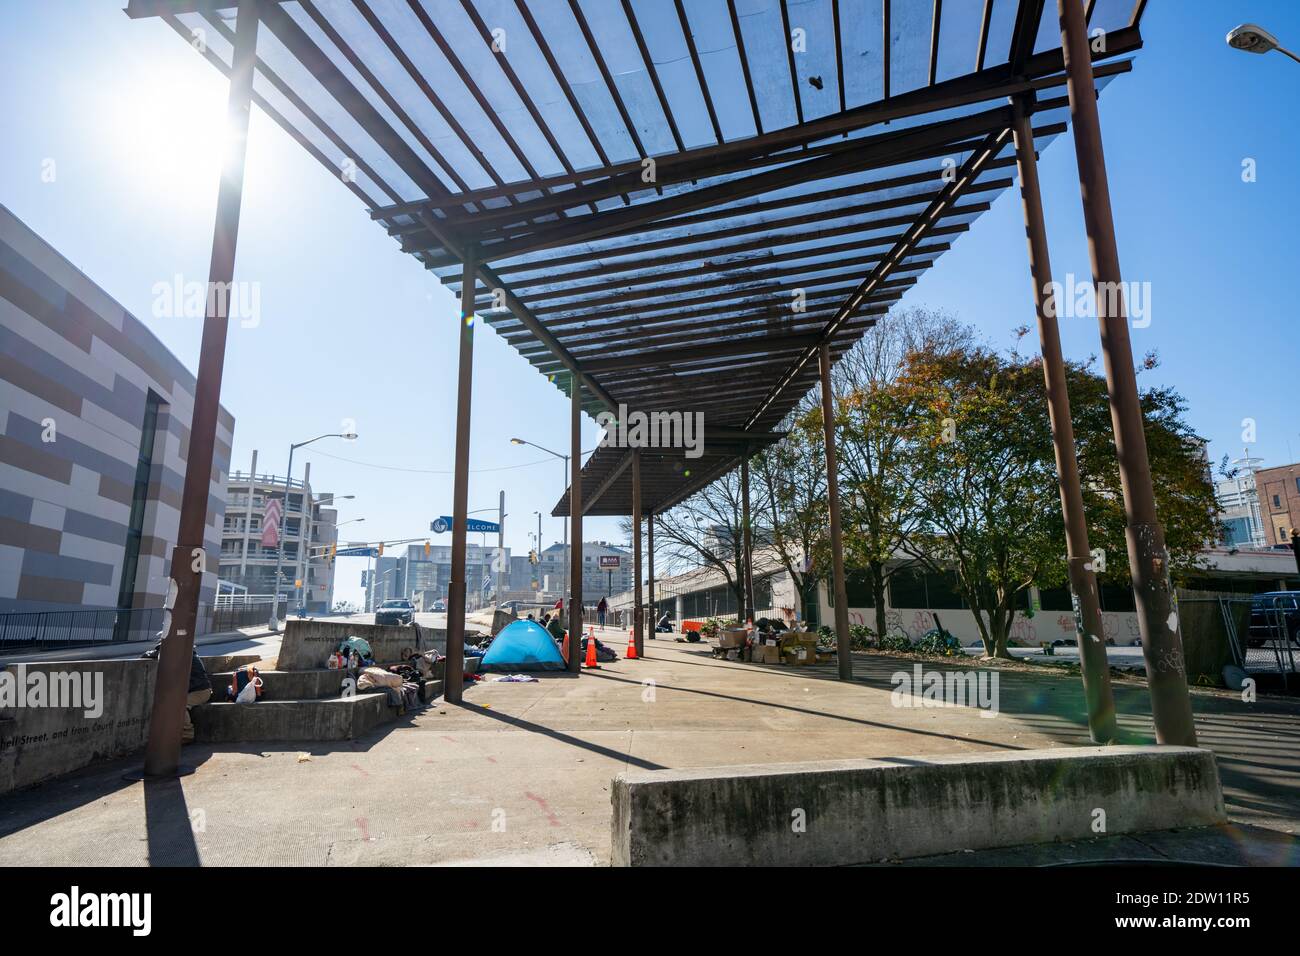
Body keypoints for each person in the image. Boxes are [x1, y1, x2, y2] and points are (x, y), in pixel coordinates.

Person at [142, 633, 211, 744]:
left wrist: (159, 649)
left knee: (180, 704)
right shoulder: (187, 652)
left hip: (200, 692)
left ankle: (187, 734)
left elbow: (153, 654)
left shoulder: (184, 654)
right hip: (199, 690)